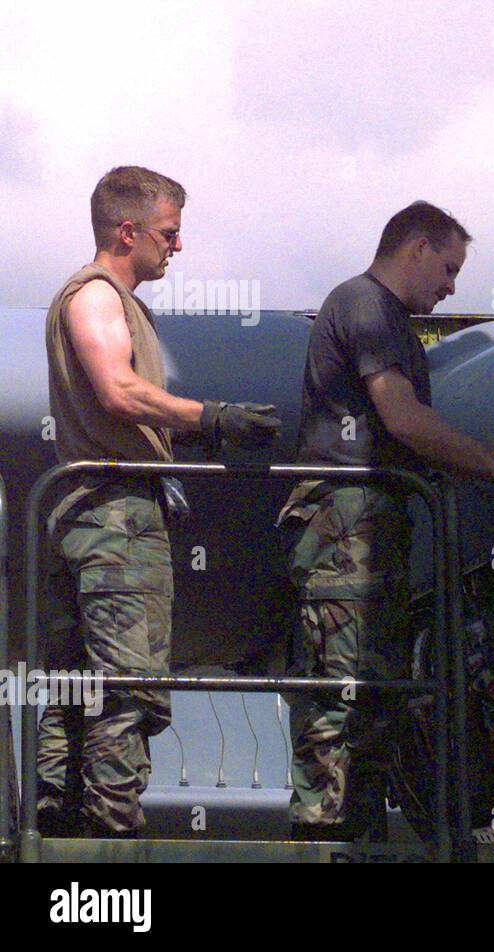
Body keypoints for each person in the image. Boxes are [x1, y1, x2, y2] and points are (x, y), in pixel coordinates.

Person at [278, 200, 494, 840]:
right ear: (416, 247)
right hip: (345, 533)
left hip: (368, 530)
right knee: (343, 701)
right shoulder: (367, 308)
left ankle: (353, 840)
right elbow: (403, 420)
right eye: (447, 268)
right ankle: (327, 845)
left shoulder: (385, 316)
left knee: (369, 701)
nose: (450, 288)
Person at [39, 165, 281, 837]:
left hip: (105, 511)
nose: (178, 247)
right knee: (128, 688)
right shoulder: (96, 298)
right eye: (169, 233)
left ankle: (61, 839)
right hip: (115, 518)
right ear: (128, 231)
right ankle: (112, 846)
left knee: (78, 691)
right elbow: (117, 390)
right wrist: (211, 417)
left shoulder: (115, 302)